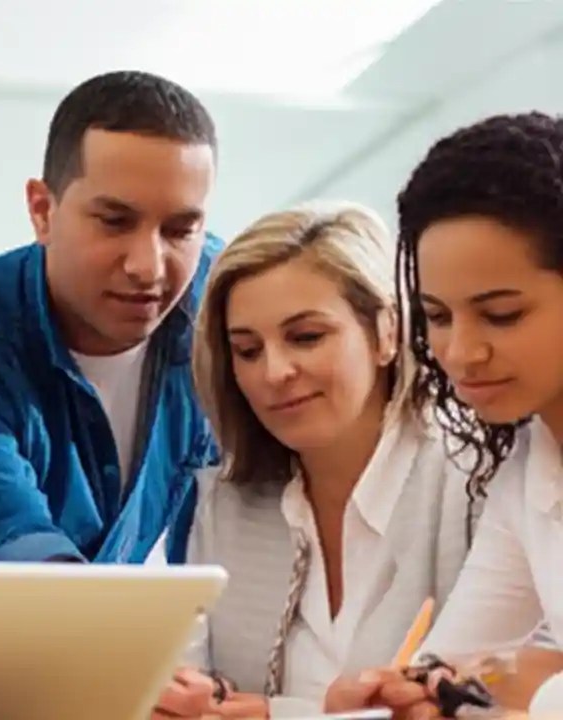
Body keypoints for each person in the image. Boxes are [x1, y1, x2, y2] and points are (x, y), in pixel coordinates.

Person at [0, 70, 222, 564]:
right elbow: (31, 580)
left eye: (181, 230)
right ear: (41, 210)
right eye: (115, 221)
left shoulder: (232, 307)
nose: (149, 266)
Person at [183, 201, 487, 717]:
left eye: (306, 337)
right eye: (248, 350)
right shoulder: (224, 504)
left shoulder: (474, 479)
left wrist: (276, 713)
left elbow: (497, 699)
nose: (274, 372)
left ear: (386, 332)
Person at [323, 112, 563, 716]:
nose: (460, 353)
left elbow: (512, 680)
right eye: (438, 316)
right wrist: (400, 694)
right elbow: (459, 658)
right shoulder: (534, 464)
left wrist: (537, 688)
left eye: (502, 314)